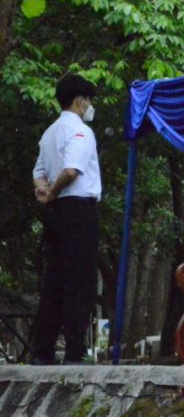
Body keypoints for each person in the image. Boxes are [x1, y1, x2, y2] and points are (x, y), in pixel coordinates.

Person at [30, 74, 101, 365]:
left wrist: (43, 191)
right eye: (88, 100)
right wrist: (54, 191)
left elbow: (37, 172)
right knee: (79, 279)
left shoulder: (49, 133)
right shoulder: (80, 132)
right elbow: (72, 171)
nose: (89, 106)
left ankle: (42, 350)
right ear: (79, 100)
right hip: (78, 208)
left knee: (54, 280)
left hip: (56, 213)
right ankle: (74, 350)